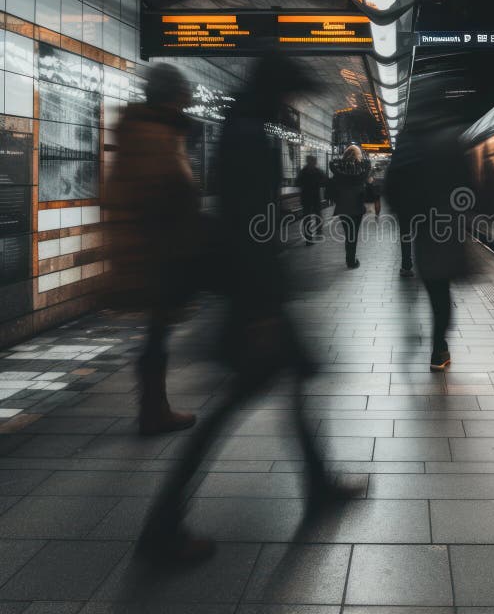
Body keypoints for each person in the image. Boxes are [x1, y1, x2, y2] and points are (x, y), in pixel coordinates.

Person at [136, 55, 359, 564]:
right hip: (255, 300)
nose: (294, 108)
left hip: (256, 295)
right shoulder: (250, 137)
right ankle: (162, 526)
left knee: (289, 388)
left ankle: (319, 483)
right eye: (292, 98)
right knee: (235, 407)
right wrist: (263, 311)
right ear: (277, 93)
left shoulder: (242, 128)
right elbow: (248, 228)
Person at [105, 63, 199, 436]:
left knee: (156, 333)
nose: (189, 98)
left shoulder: (151, 131)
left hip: (152, 252)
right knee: (156, 333)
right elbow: (162, 196)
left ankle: (154, 407)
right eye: (183, 92)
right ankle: (153, 411)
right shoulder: (154, 135)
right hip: (155, 255)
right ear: (173, 95)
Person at [386, 98, 472, 371]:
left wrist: (405, 217)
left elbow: (391, 185)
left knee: (433, 286)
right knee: (442, 291)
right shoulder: (451, 139)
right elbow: (469, 186)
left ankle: (432, 343)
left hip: (421, 227)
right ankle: (438, 348)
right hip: (447, 226)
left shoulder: (408, 142)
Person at [328, 145, 370, 269]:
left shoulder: (339, 168)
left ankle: (350, 259)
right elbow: (366, 173)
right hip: (357, 205)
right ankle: (351, 260)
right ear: (358, 155)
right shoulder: (361, 169)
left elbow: (332, 169)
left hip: (343, 205)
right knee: (353, 234)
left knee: (348, 234)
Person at [296, 154, 327, 244]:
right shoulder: (317, 171)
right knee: (315, 215)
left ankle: (309, 237)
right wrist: (318, 184)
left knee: (308, 218)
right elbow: (325, 180)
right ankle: (316, 233)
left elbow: (297, 182)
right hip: (314, 197)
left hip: (307, 197)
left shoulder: (303, 171)